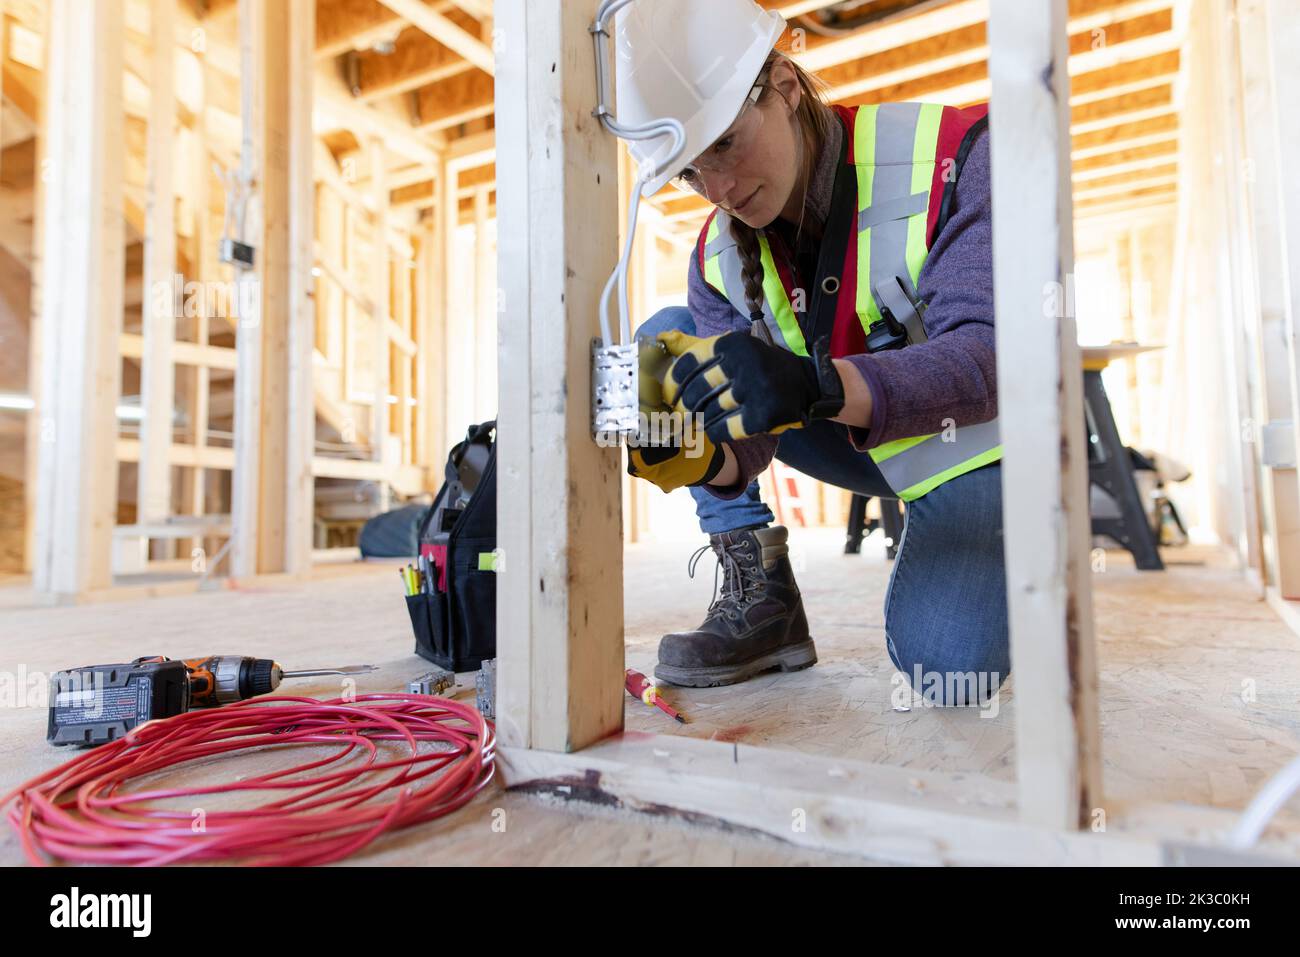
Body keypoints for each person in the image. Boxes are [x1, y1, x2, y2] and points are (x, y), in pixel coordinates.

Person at [618, 0, 1007, 705]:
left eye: (728, 144)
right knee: (661, 342)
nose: (720, 191)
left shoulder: (958, 153)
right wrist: (693, 450)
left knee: (951, 670)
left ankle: (1031, 530)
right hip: (852, 438)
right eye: (689, 175)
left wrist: (816, 383)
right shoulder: (716, 258)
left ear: (786, 86)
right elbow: (751, 445)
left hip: (976, 445)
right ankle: (762, 596)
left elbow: (986, 360)